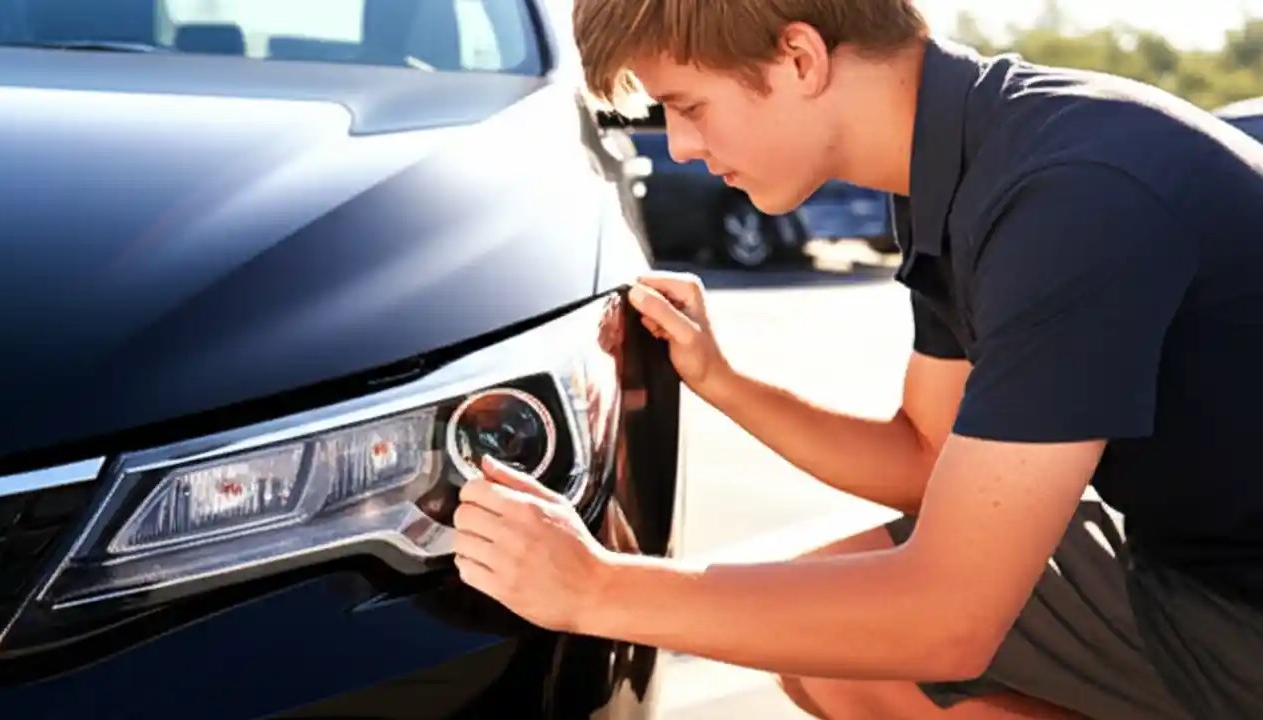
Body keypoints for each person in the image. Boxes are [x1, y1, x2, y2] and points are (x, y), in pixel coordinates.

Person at [449, 1, 1263, 718]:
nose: (682, 146)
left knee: (878, 629)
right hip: (1196, 565)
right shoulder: (970, 158)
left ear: (800, 58)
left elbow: (947, 617)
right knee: (821, 637)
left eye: (685, 105)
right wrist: (723, 383)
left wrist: (594, 589)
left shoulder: (1070, 197)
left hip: (1235, 605)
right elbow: (926, 456)